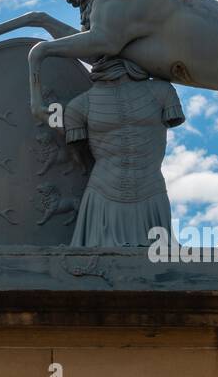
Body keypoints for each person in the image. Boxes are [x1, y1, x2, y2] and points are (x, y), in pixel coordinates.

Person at [66, 57, 184, 248]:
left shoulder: (162, 91)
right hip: (103, 193)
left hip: (151, 191)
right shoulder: (78, 106)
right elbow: (76, 159)